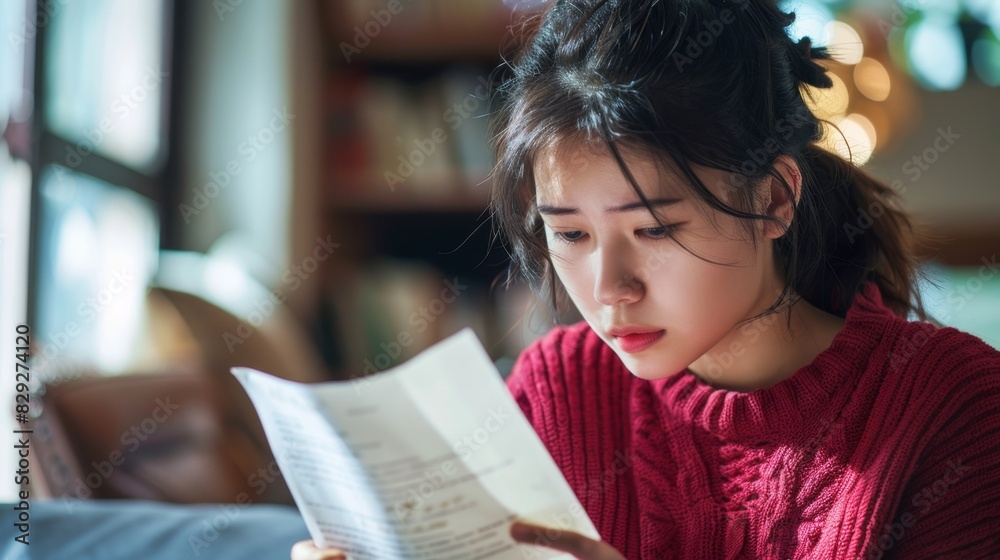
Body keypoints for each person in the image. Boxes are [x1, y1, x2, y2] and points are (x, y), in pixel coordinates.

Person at [293, 0, 1000, 558]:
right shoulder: (557, 390)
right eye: (569, 234)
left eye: (656, 230)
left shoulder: (951, 406)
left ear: (775, 199)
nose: (608, 289)